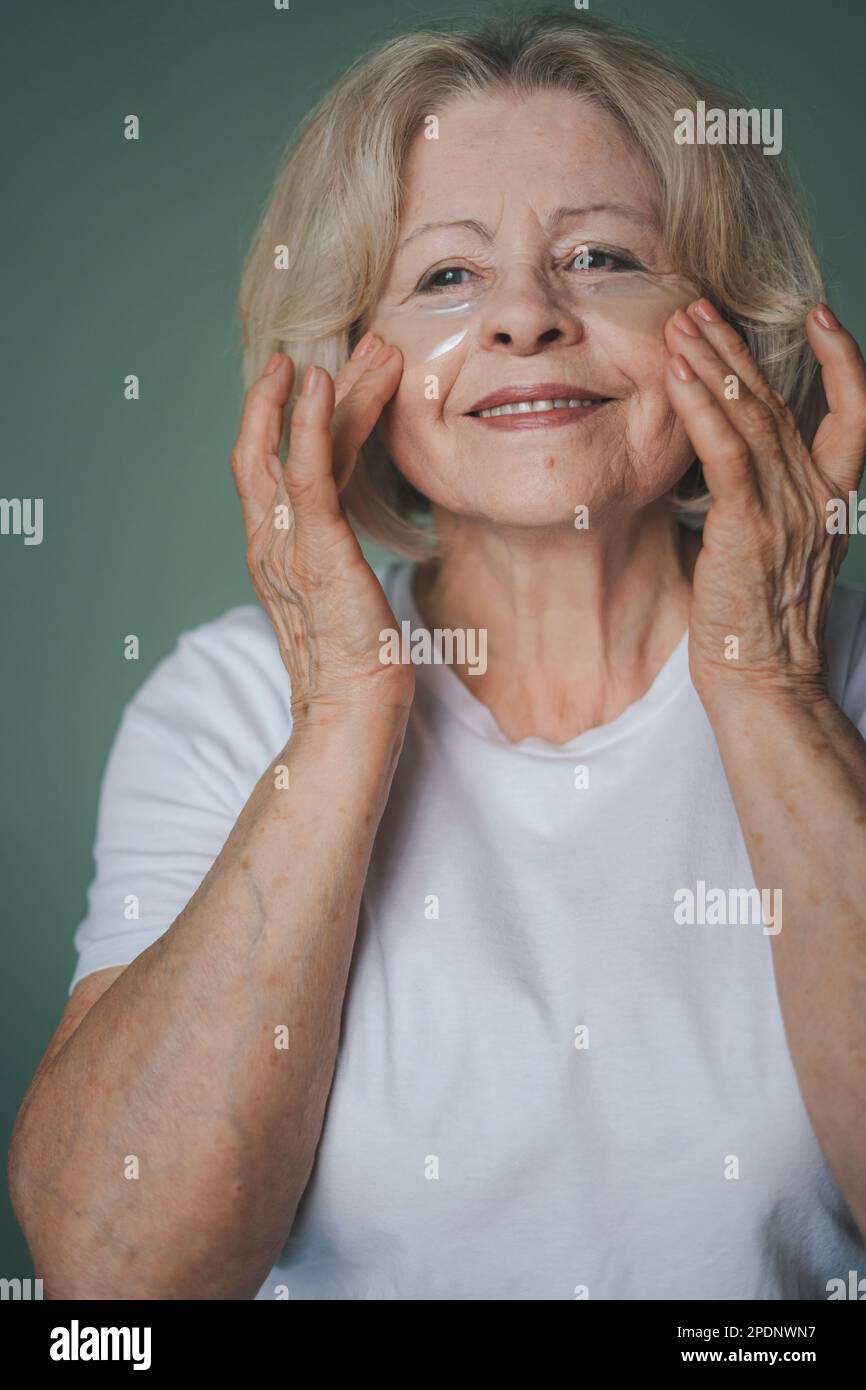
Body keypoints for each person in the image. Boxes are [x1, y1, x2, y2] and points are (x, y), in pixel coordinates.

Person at [10, 10, 866, 1300]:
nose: (527, 316)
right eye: (447, 278)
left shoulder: (844, 681)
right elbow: (114, 1277)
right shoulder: (227, 704)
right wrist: (348, 711)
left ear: (734, 335)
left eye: (602, 256)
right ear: (352, 375)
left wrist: (768, 688)